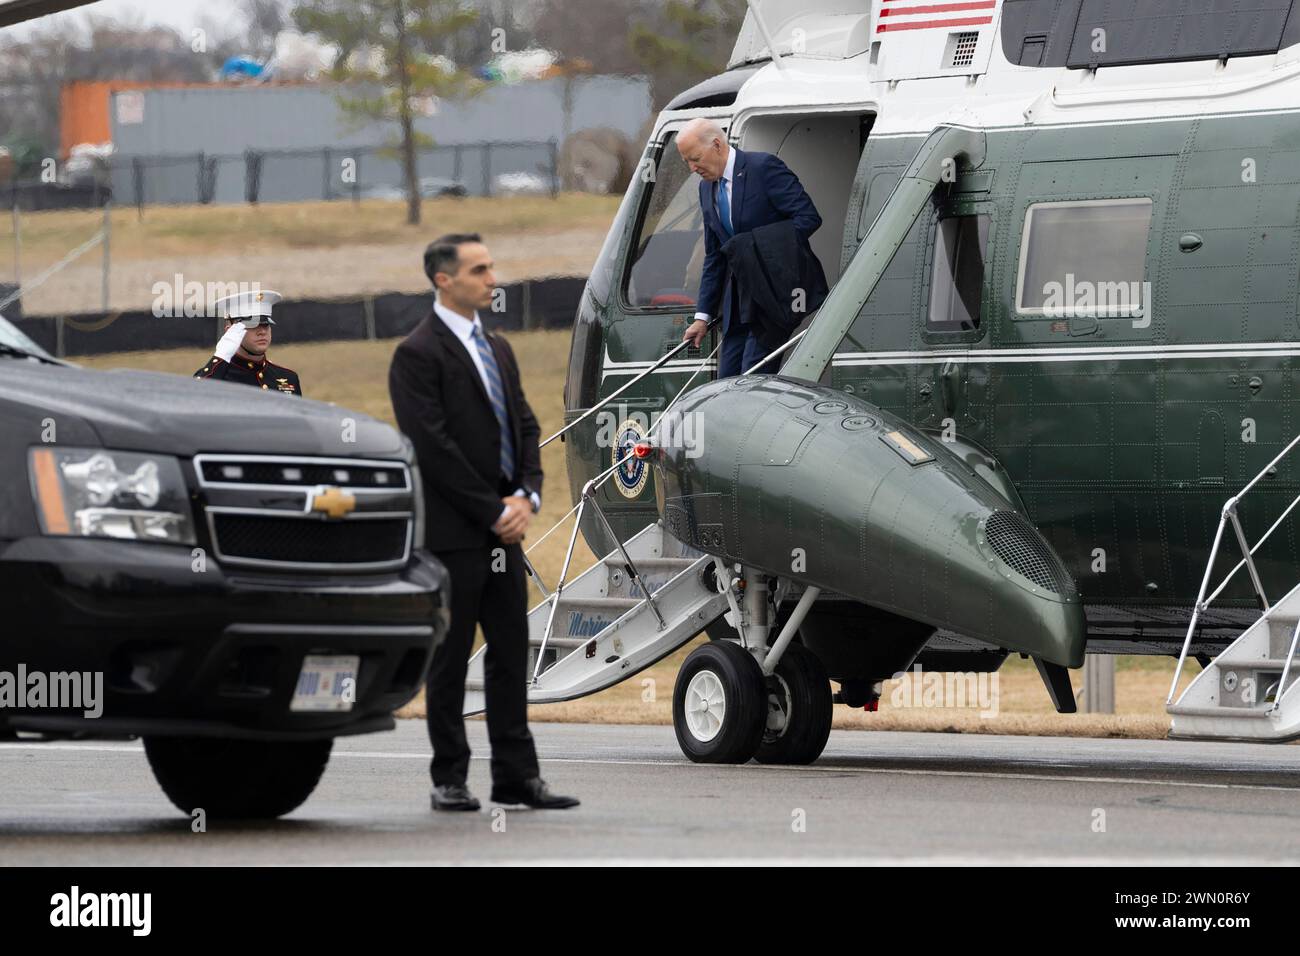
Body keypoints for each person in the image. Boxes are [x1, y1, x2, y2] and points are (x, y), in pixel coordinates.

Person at [388, 233, 579, 812]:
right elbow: (433, 448)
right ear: (444, 280)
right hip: (454, 534)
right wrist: (492, 510)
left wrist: (526, 496)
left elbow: (524, 424)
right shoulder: (417, 354)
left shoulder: (498, 348)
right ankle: (450, 777)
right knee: (449, 659)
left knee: (509, 653)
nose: (492, 279)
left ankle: (516, 778)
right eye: (479, 269)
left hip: (505, 530)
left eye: (491, 267)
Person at [677, 117, 827, 377]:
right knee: (727, 381)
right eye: (686, 161)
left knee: (751, 381)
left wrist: (753, 246)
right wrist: (702, 316)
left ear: (716, 145)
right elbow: (716, 256)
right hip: (737, 304)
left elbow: (808, 218)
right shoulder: (706, 189)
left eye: (696, 158)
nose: (692, 167)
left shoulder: (763, 168)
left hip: (774, 296)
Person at [194, 289, 302, 395]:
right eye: (252, 325)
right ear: (230, 332)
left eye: (265, 325)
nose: (262, 332)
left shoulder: (288, 378)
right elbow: (195, 397)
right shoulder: (218, 377)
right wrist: (220, 357)